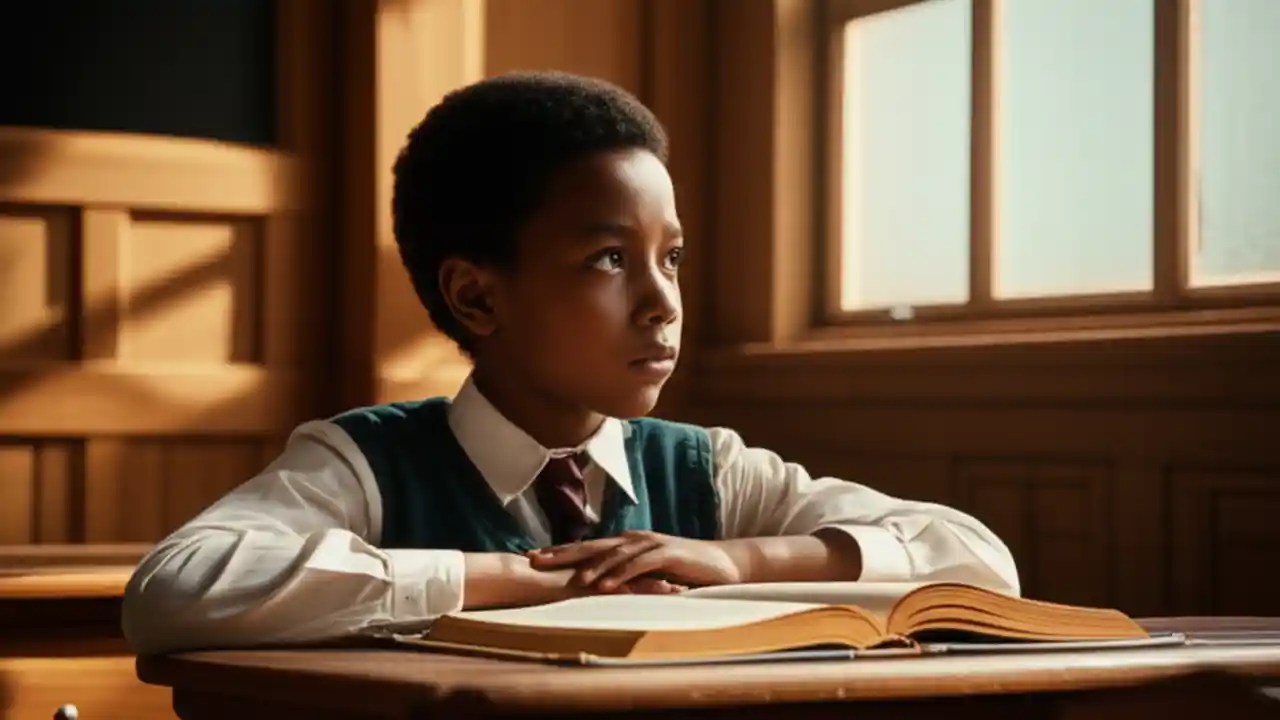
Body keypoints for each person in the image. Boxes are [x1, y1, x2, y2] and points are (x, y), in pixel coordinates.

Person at [122, 71, 1019, 655]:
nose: (662, 301)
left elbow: (979, 562)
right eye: (609, 260)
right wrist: (514, 580)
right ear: (477, 296)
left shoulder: (710, 473)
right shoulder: (368, 462)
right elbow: (175, 590)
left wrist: (741, 561)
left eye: (671, 258)